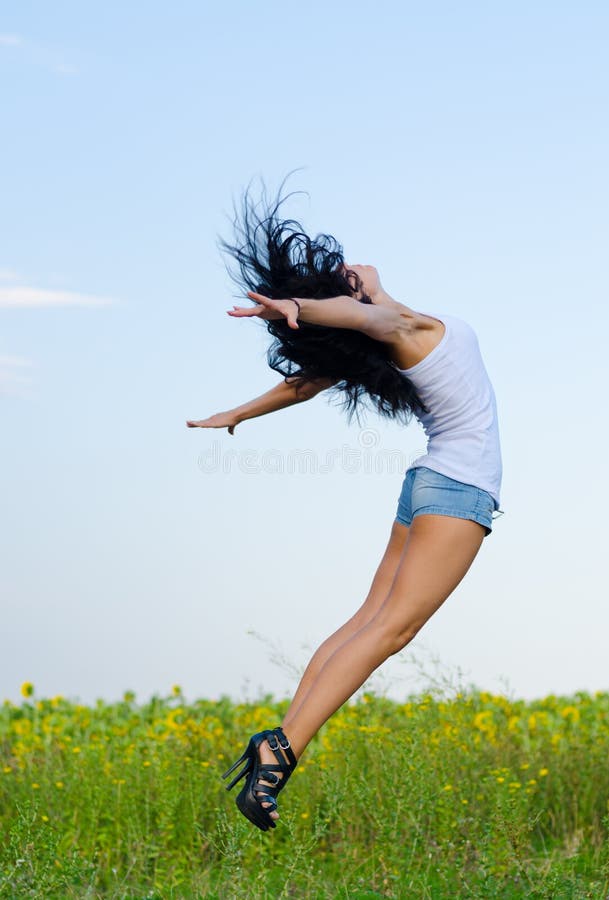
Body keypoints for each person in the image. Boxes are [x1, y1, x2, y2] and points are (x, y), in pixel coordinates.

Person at [186, 177, 503, 832]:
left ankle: (278, 741)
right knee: (390, 630)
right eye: (343, 277)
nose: (349, 265)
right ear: (352, 296)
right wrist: (292, 306)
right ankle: (282, 750)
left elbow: (305, 385)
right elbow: (357, 317)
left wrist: (239, 412)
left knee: (369, 619)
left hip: (425, 486)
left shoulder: (387, 337)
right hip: (457, 488)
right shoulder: (395, 322)